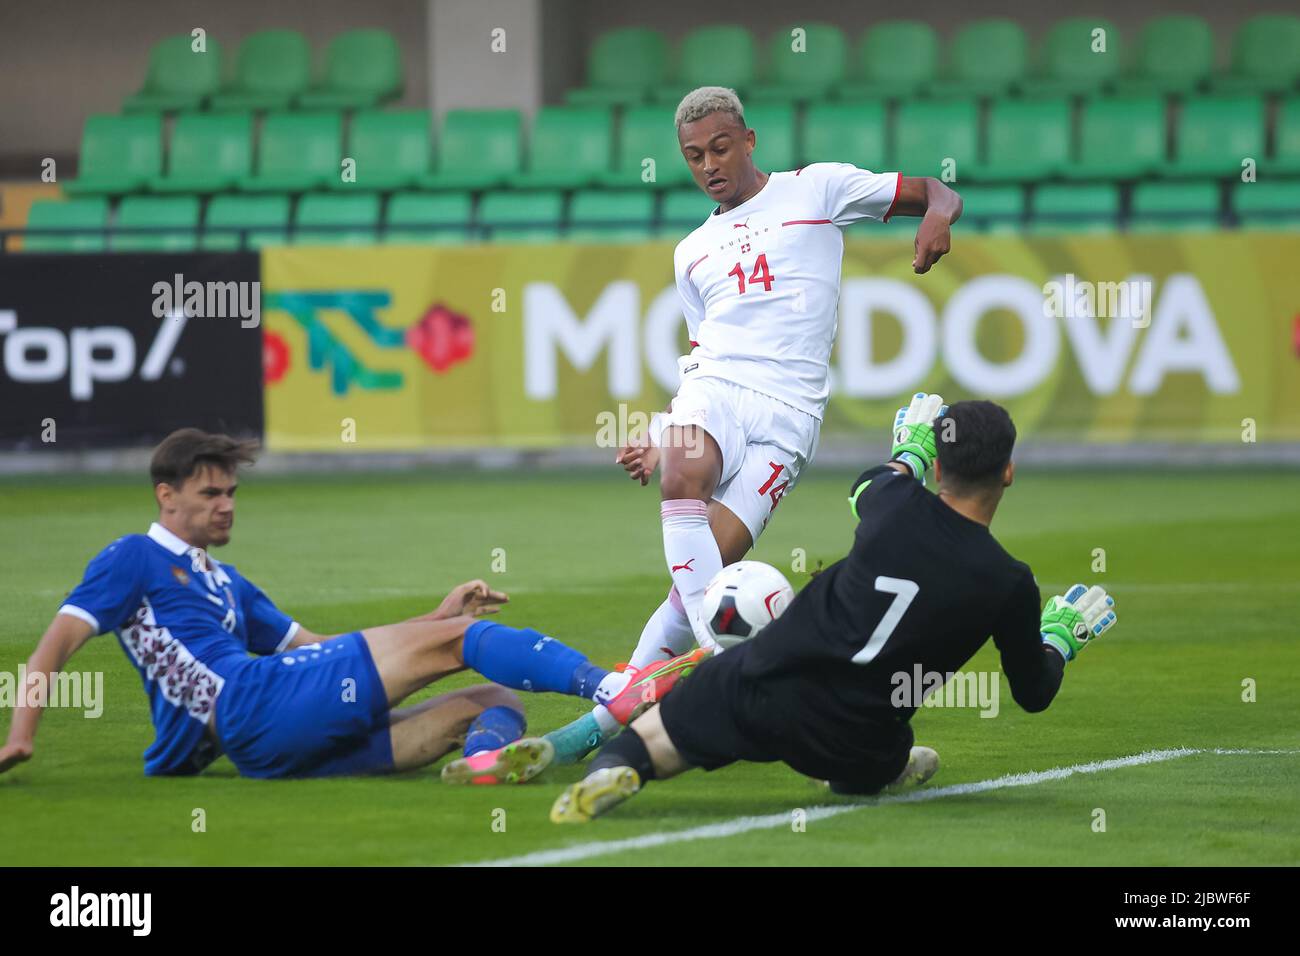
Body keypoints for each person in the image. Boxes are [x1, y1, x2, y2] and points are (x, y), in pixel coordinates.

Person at [543, 85, 965, 764]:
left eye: (718, 148)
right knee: (682, 479)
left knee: (701, 577)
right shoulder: (692, 252)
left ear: (748, 141)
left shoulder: (817, 190)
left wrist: (936, 217)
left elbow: (936, 190)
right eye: (693, 157)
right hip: (717, 391)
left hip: (789, 417)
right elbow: (703, 358)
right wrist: (663, 427)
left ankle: (611, 714)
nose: (708, 164)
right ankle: (729, 663)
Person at [0, 428, 704, 783]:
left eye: (232, 494)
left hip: (269, 741)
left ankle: (488, 762)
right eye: (210, 494)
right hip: (251, 704)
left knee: (487, 698)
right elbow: (52, 648)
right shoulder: (133, 558)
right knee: (462, 640)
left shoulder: (227, 582)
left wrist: (430, 618)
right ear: (166, 496)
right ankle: (614, 687)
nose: (225, 506)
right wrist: (20, 735)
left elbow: (320, 650)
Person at [549, 395, 1120, 822]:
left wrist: (909, 452)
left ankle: (616, 770)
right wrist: (1057, 640)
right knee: (875, 766)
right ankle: (882, 771)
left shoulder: (891, 504)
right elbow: (1033, 693)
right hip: (858, 735)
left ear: (939, 471)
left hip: (761, 680)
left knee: (646, 747)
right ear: (1009, 473)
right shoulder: (1009, 582)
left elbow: (870, 484)